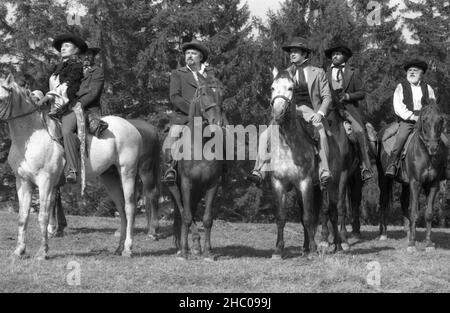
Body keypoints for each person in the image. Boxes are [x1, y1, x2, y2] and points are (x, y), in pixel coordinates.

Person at [247, 37, 332, 186]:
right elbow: (277, 93)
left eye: (296, 52)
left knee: (322, 134)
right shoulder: (284, 73)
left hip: (311, 111)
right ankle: (258, 170)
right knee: (264, 136)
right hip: (288, 112)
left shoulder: (318, 72)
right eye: (291, 52)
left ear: (305, 54)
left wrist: (320, 114)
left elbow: (327, 97)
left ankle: (324, 170)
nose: (292, 54)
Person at [162, 39, 223, 184]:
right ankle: (170, 168)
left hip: (210, 115)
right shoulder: (178, 73)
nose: (189, 56)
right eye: (187, 53)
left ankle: (225, 167)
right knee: (173, 135)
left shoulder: (212, 73)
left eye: (193, 53)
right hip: (184, 116)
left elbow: (218, 93)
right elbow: (174, 97)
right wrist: (193, 111)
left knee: (227, 134)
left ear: (200, 57)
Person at [37, 33, 86, 183]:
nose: (63, 48)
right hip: (53, 110)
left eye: (67, 45)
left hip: (70, 108)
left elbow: (68, 87)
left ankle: (72, 169)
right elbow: (45, 87)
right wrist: (37, 95)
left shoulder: (77, 66)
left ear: (76, 50)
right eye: (62, 46)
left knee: (66, 131)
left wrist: (48, 97)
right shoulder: (55, 69)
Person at [324, 43, 373, 181]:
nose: (335, 56)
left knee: (359, 131)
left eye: (338, 54)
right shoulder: (325, 73)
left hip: (349, 109)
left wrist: (349, 96)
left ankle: (365, 166)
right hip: (330, 110)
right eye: (333, 54)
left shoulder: (353, 71)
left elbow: (362, 92)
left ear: (344, 57)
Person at [385, 59, 437, 177]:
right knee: (402, 137)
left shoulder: (428, 88)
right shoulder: (401, 86)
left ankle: (444, 165)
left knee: (441, 137)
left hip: (426, 122)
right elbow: (398, 106)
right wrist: (412, 117)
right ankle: (392, 164)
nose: (412, 72)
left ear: (421, 73)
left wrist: (427, 118)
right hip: (407, 121)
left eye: (415, 70)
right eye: (410, 70)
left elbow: (433, 105)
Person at [75, 46, 108, 137]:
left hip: (90, 110)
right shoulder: (76, 71)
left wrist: (77, 105)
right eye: (83, 54)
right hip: (73, 107)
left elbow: (93, 93)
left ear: (93, 56)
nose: (86, 57)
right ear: (80, 57)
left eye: (89, 54)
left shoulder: (97, 71)